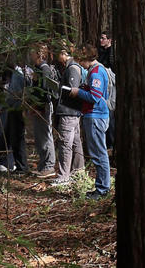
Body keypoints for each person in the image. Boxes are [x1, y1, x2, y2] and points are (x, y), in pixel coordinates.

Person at [66, 43, 110, 198]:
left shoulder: (96, 72)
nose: (80, 64)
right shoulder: (94, 70)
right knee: (97, 152)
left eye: (81, 61)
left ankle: (102, 189)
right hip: (93, 116)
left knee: (99, 153)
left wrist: (78, 92)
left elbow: (95, 97)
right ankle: (101, 187)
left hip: (96, 116)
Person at [52, 43, 84, 184]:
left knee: (65, 143)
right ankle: (78, 172)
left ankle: (64, 176)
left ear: (64, 54)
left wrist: (59, 88)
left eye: (58, 54)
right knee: (76, 142)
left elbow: (73, 90)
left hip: (69, 111)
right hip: (72, 111)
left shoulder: (72, 68)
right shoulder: (71, 67)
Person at [28, 44, 56, 177]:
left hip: (43, 108)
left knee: (45, 136)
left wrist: (38, 107)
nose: (30, 55)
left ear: (38, 54)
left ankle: (49, 165)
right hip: (36, 107)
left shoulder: (45, 69)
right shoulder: (37, 69)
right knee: (39, 137)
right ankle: (42, 165)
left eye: (32, 52)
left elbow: (45, 92)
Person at [98, 31, 115, 152]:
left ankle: (111, 143)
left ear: (109, 40)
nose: (101, 40)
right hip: (103, 86)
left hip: (111, 86)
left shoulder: (112, 52)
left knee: (110, 113)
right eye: (101, 38)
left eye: (103, 38)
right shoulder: (101, 52)